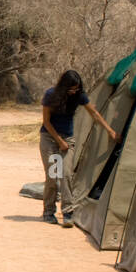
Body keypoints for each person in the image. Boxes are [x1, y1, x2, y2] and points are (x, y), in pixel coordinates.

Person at [39, 68, 120, 227]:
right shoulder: (50, 95)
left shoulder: (79, 96)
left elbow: (94, 114)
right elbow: (46, 122)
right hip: (49, 138)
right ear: (64, 86)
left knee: (67, 173)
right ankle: (49, 212)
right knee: (53, 175)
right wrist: (59, 141)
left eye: (77, 88)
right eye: (72, 88)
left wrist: (110, 131)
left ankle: (68, 212)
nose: (74, 91)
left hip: (68, 138)